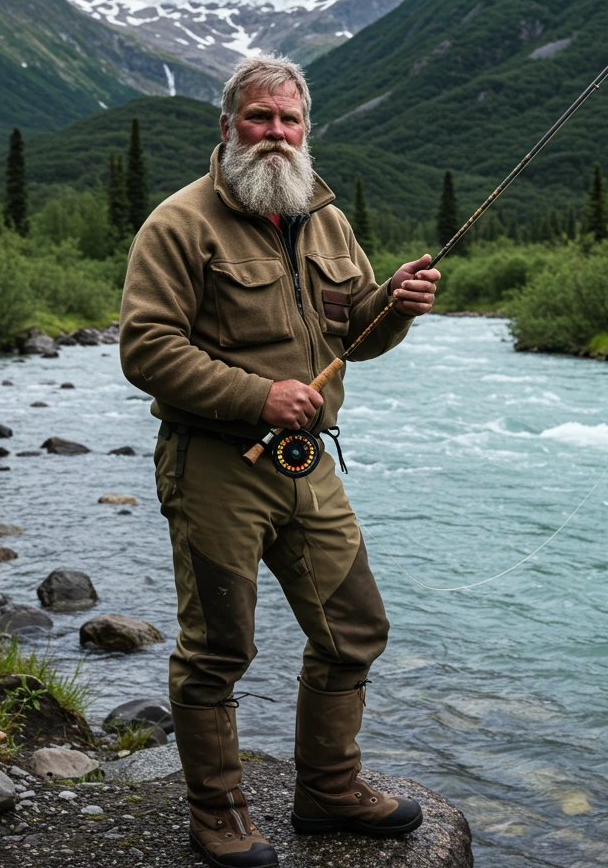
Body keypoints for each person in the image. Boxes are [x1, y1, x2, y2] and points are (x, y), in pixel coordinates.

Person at [119, 55, 440, 868]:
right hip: (215, 463)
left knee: (355, 629)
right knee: (219, 649)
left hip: (307, 464)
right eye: (259, 118)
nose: (275, 134)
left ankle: (329, 790)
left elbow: (352, 335)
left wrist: (392, 305)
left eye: (288, 120)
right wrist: (258, 395)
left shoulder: (324, 218)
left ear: (306, 129)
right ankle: (217, 811)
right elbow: (146, 348)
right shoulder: (179, 223)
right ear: (227, 127)